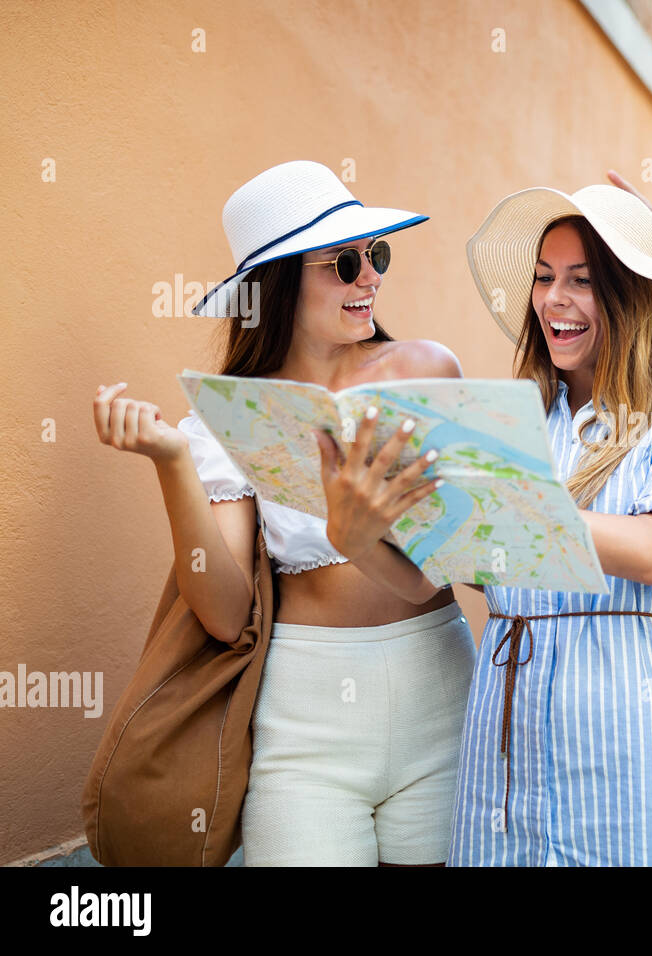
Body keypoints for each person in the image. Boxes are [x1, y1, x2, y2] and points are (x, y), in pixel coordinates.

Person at [91, 160, 475, 866]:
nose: (371, 278)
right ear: (280, 283)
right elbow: (227, 614)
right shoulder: (227, 416)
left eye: (376, 256)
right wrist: (173, 461)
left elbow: (448, 558)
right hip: (306, 717)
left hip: (440, 694)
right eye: (345, 263)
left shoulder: (424, 369)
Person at [446, 184, 652, 866]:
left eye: (581, 282)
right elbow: (494, 579)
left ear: (627, 299)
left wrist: (517, 499)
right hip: (506, 721)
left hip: (625, 718)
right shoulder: (512, 424)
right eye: (542, 280)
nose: (552, 300)